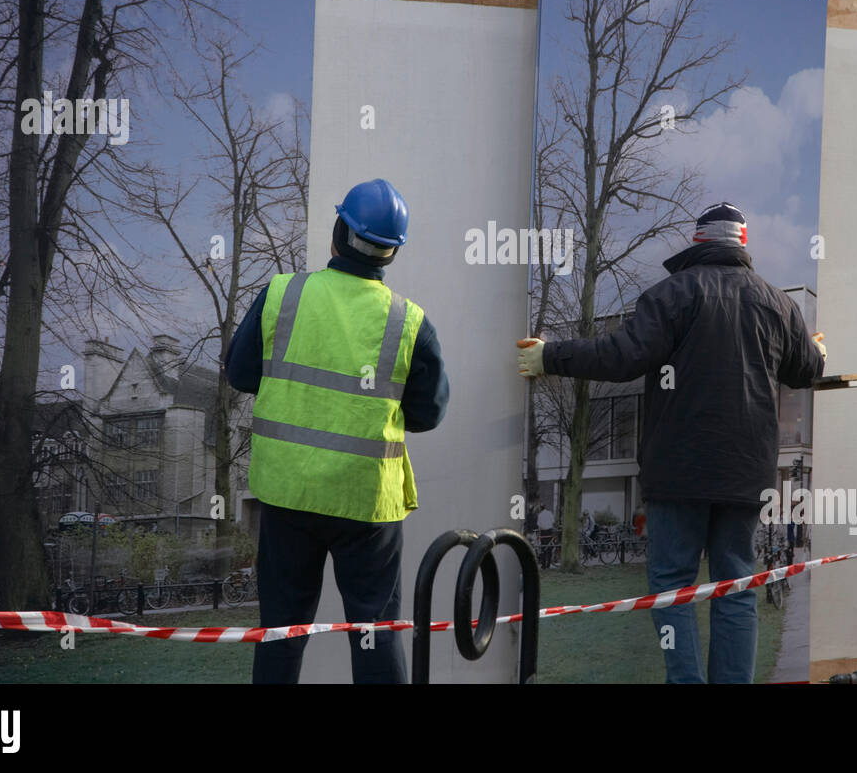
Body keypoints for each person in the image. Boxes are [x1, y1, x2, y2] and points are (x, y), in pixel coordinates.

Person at [517, 202, 825, 683]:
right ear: (742, 245)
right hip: (746, 478)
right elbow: (807, 367)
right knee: (736, 588)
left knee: (672, 588)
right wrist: (817, 349)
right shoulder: (777, 304)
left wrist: (549, 356)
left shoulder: (671, 295)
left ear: (698, 241)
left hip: (677, 474)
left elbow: (619, 357)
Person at [224, 178, 449, 684]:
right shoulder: (409, 322)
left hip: (288, 495)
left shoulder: (282, 294)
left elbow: (239, 375)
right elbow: (429, 414)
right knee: (374, 631)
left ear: (337, 233)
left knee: (281, 630)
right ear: (390, 254)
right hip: (367, 503)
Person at [536, 502, 555, 569]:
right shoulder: (549, 513)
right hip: (549, 532)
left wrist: (539, 533)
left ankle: (543, 565)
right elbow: (553, 522)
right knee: (549, 548)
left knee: (543, 548)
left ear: (540, 508)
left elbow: (539, 525)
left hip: (543, 533)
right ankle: (548, 564)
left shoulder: (540, 515)